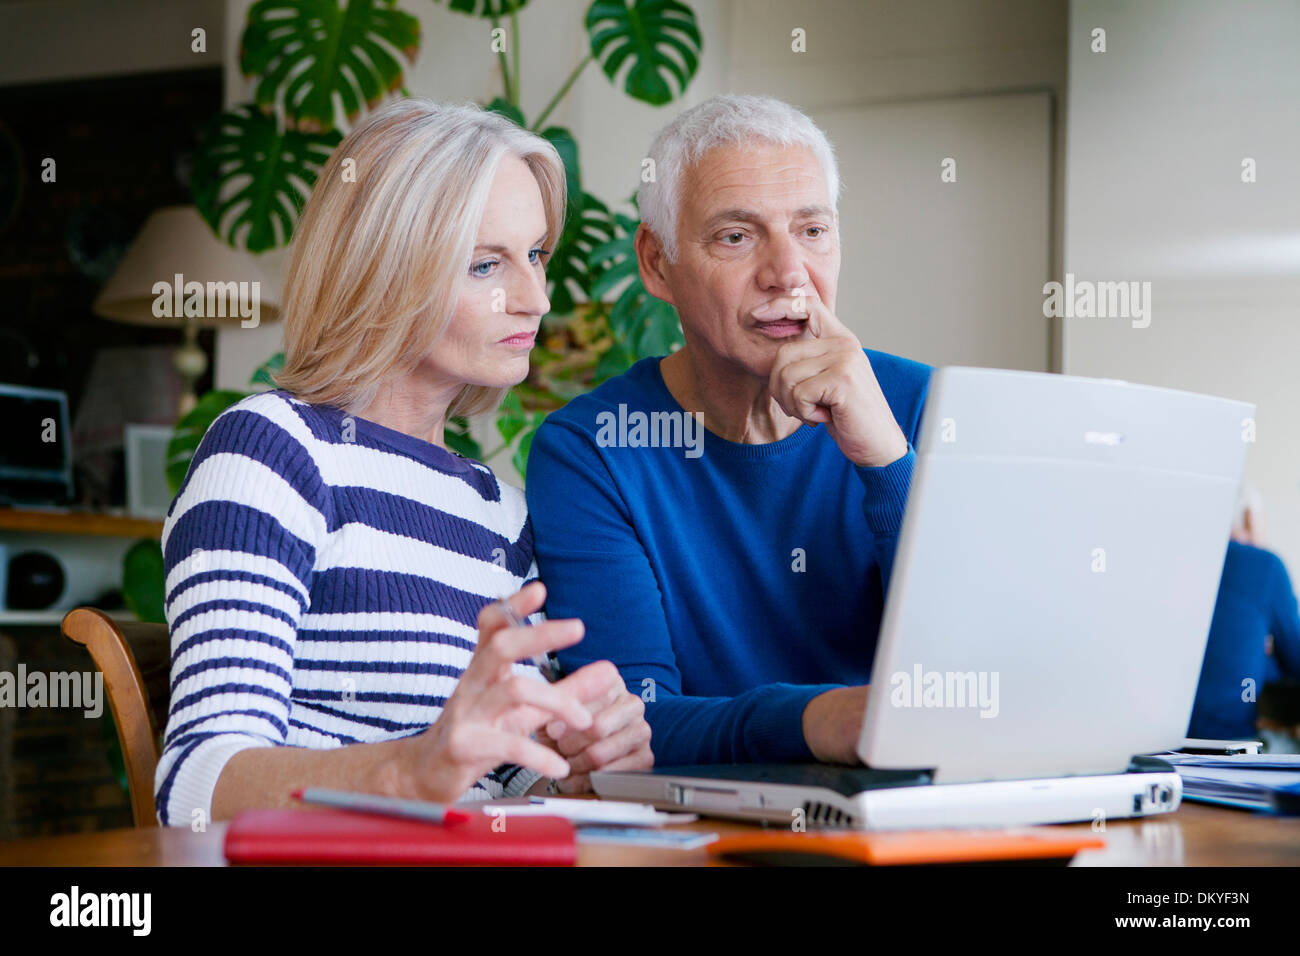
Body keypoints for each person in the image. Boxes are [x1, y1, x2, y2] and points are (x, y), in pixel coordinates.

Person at [154, 98, 652, 826]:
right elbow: (195, 788)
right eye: (486, 265)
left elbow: (492, 791)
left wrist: (571, 768)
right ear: (384, 273)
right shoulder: (274, 451)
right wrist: (410, 771)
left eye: (536, 255)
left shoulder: (498, 510)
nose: (537, 299)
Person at [526, 94, 931, 767]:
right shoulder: (594, 449)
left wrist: (888, 463)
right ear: (656, 263)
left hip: (923, 811)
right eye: (736, 237)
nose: (788, 275)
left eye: (812, 230)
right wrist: (817, 720)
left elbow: (985, 679)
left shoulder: (928, 406)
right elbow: (624, 726)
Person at [1188, 483, 1300, 740]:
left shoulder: (1181, 560)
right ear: (1249, 518)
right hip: (1227, 741)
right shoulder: (1263, 565)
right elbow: (1296, 659)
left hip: (1156, 744)